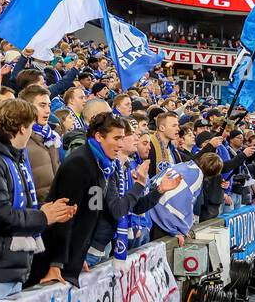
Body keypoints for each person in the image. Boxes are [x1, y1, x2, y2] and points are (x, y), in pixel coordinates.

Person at [0, 98, 76, 302]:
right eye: (31, 127)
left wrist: (44, 211)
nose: (32, 133)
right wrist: (43, 216)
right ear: (22, 128)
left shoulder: (10, 156)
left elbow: (15, 208)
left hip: (7, 268)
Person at [31, 112, 167, 287]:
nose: (119, 144)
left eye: (122, 138)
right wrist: (57, 262)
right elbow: (64, 216)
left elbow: (91, 211)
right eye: (116, 138)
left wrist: (78, 254)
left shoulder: (102, 164)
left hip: (77, 254)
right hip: (55, 261)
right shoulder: (80, 163)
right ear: (99, 136)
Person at [19, 83, 61, 200]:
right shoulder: (20, 138)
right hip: (36, 208)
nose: (48, 111)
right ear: (27, 107)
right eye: (42, 105)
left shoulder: (52, 135)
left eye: (49, 105)